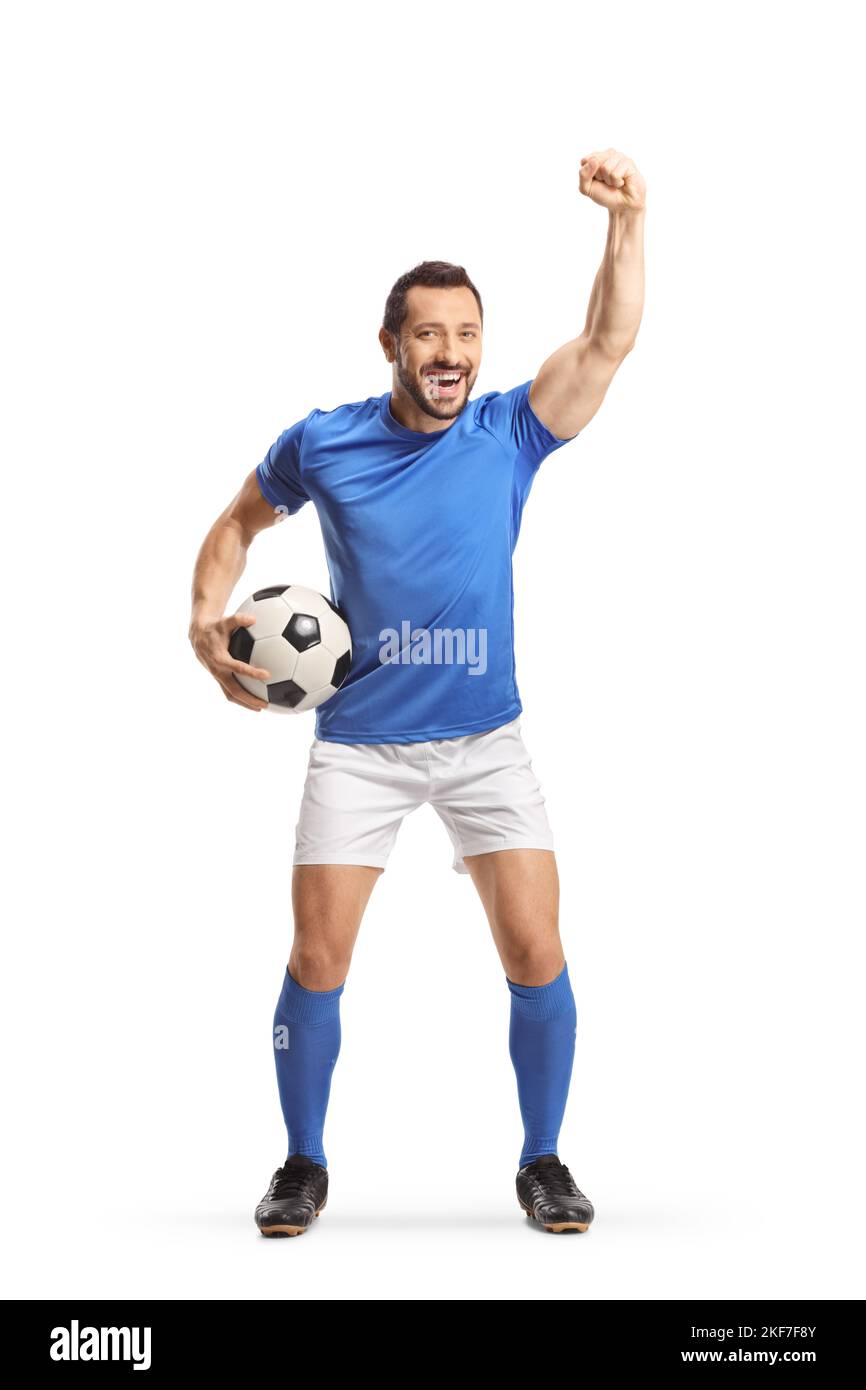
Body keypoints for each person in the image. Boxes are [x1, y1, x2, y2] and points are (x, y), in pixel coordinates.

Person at [189, 148, 646, 1236]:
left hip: (485, 738)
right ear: (390, 342)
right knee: (315, 955)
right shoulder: (326, 441)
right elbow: (235, 525)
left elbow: (607, 340)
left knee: (536, 950)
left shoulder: (510, 432)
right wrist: (206, 631)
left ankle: (542, 1159)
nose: (449, 353)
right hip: (360, 741)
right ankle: (302, 1161)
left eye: (466, 333)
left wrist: (628, 221)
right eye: (428, 334)